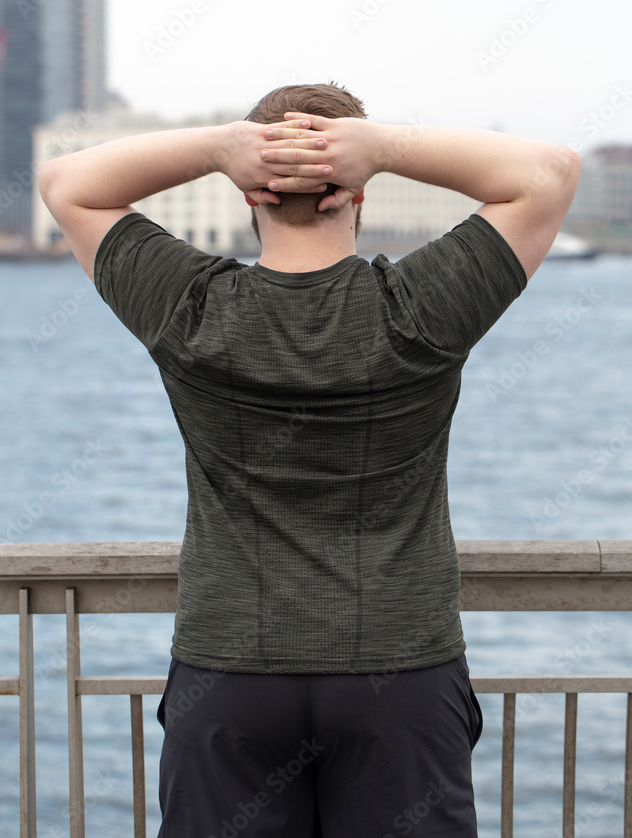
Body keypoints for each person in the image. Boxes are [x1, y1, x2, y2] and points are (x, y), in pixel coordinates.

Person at [38, 82, 580, 837]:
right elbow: (547, 173)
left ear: (249, 195)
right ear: (355, 195)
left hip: (228, 672)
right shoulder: (419, 307)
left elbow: (68, 185)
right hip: (399, 669)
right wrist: (381, 147)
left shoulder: (191, 309)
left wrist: (219, 146)